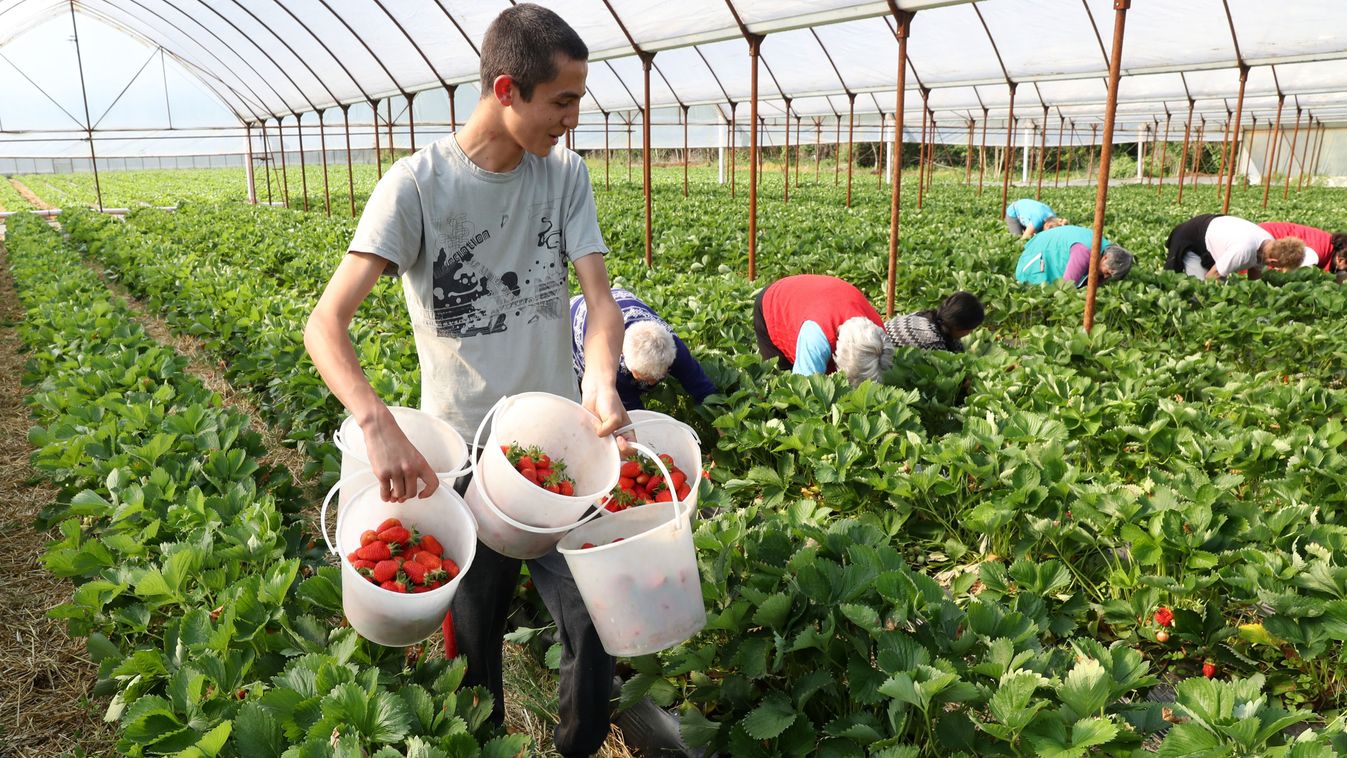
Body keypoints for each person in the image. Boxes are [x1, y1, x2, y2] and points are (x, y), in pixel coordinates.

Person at [303, 6, 626, 756]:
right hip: (469, 463)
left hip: (557, 452)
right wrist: (377, 425)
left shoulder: (564, 175)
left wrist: (602, 378)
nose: (573, 120)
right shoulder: (415, 187)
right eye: (563, 101)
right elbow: (325, 325)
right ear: (508, 89)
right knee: (473, 650)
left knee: (595, 624)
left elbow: (601, 301)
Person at [570, 287, 717, 411]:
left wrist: (720, 422)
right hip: (574, 321)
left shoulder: (672, 346)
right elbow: (633, 413)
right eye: (647, 378)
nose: (653, 383)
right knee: (598, 396)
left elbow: (703, 388)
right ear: (626, 360)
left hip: (614, 301)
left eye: (660, 376)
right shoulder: (615, 368)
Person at [753, 274, 893, 385]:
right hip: (775, 301)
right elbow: (801, 388)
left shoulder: (878, 337)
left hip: (819, 297)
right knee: (780, 380)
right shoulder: (816, 339)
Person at [1164, 213, 1307, 280]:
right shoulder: (1244, 250)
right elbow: (1212, 276)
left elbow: (1255, 273)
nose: (1278, 269)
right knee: (1198, 287)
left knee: (1219, 284)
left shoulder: (1269, 244)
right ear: (1273, 262)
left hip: (1211, 233)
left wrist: (1254, 298)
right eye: (1279, 266)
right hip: (1190, 238)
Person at [1014, 224, 1134, 287]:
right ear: (1105, 257)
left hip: (1051, 247)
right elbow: (1066, 288)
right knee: (1037, 292)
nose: (1106, 277)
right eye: (1107, 272)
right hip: (1037, 254)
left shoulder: (1106, 248)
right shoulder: (1083, 253)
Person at [883, 292, 986, 353]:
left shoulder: (927, 315)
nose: (969, 333)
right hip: (873, 362)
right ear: (961, 328)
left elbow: (954, 345)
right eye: (970, 329)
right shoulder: (932, 341)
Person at [1258, 221, 1347, 272]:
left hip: (1263, 233)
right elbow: (1287, 273)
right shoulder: (1313, 256)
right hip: (1264, 242)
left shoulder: (1328, 244)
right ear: (1340, 260)